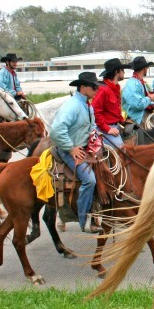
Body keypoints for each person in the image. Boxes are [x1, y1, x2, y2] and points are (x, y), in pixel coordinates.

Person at [51, 72, 103, 233]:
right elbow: (56, 130)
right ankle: (84, 220)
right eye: (94, 86)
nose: (97, 89)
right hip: (70, 150)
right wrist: (71, 148)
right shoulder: (72, 106)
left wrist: (96, 136)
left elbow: (91, 126)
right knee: (90, 180)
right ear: (83, 87)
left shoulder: (87, 105)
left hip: (85, 147)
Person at [91, 58, 130, 150]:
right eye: (122, 70)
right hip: (105, 128)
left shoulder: (115, 87)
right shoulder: (103, 89)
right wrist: (108, 129)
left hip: (115, 125)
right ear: (117, 72)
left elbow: (114, 110)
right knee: (122, 151)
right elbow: (95, 111)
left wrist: (122, 121)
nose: (124, 72)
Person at [122, 56, 154, 125]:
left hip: (143, 114)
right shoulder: (132, 84)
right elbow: (138, 104)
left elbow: (142, 98)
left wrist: (152, 105)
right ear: (144, 69)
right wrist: (150, 98)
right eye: (147, 68)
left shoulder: (139, 82)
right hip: (137, 118)